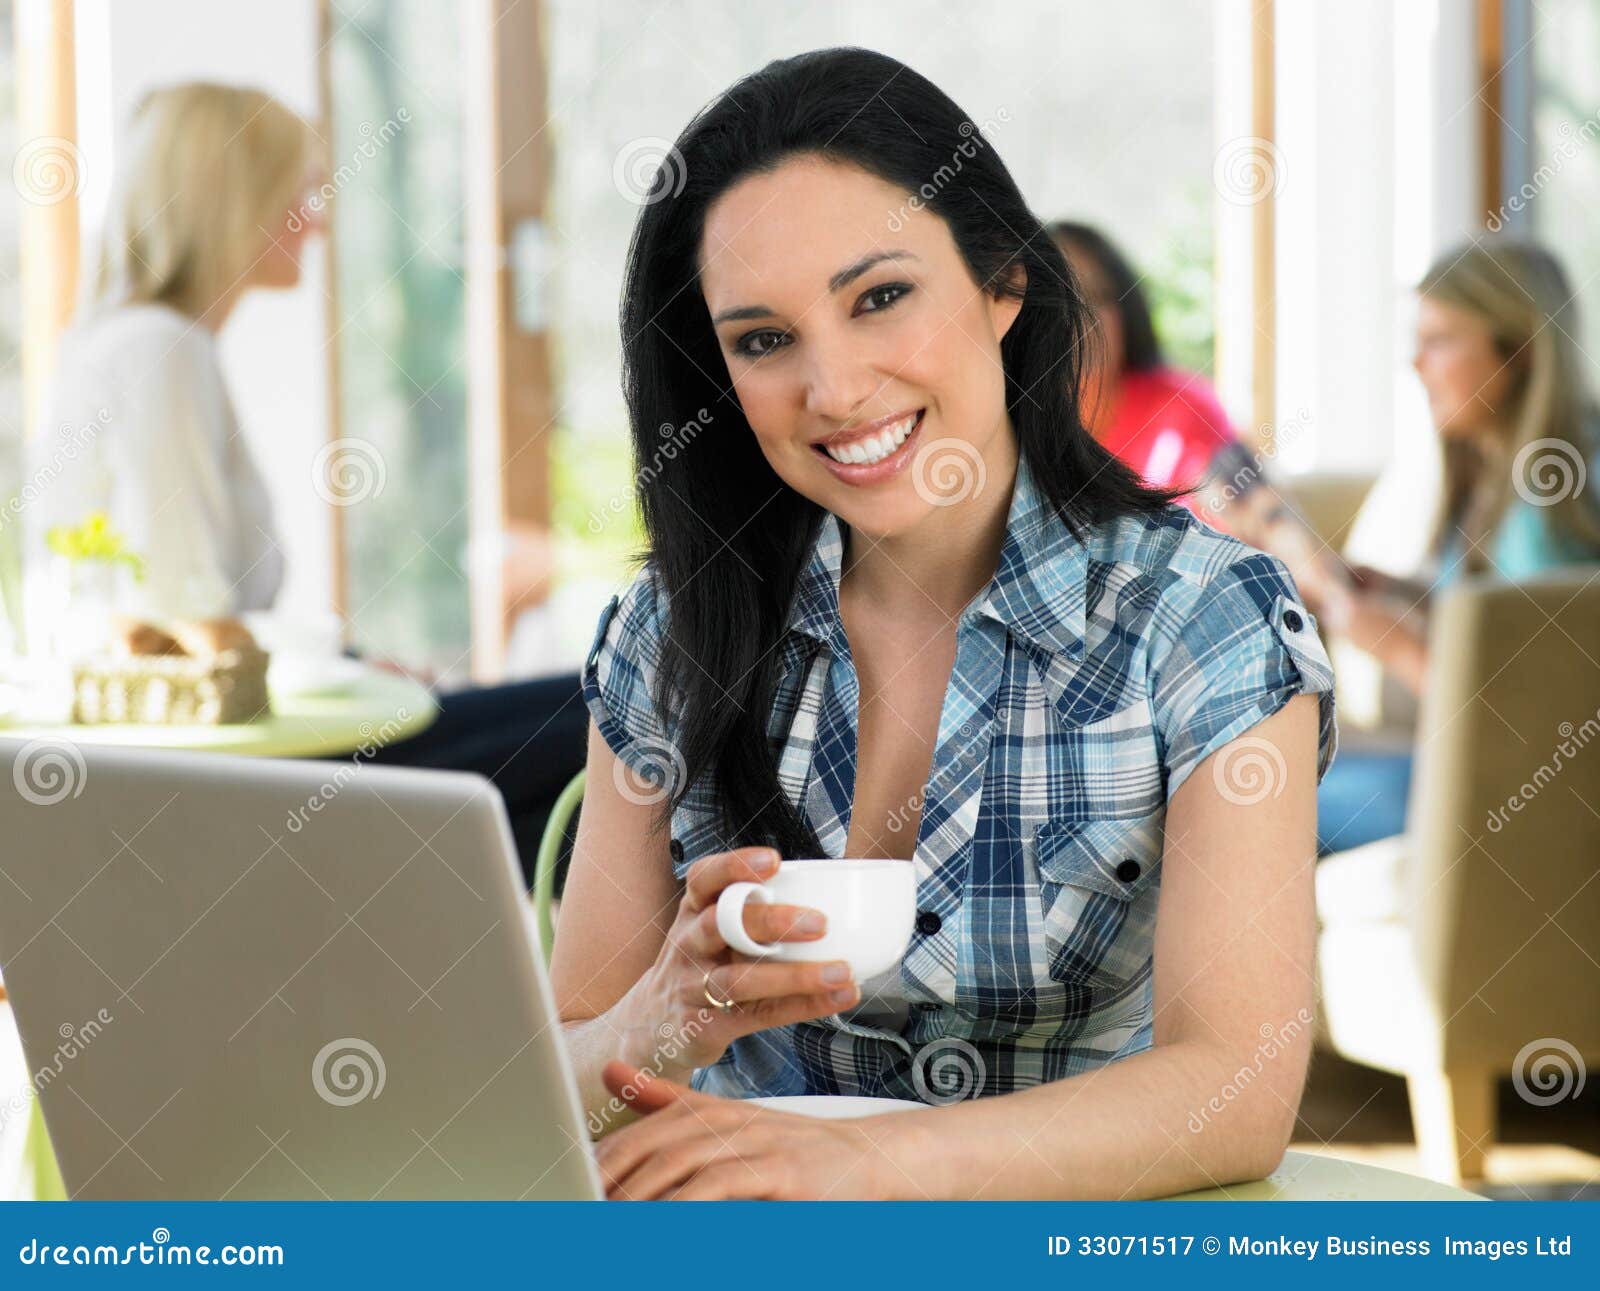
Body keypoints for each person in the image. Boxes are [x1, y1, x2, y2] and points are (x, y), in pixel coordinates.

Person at [554, 47, 1338, 1201]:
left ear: (1002, 281)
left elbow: (1235, 1088)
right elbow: (557, 1077)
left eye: (879, 297)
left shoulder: (1203, 619)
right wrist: (660, 1019)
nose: (834, 388)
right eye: (764, 340)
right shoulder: (668, 632)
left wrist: (863, 1163)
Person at [20, 82, 586, 882]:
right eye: (302, 192)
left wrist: (352, 662)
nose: (316, 218)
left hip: (227, 770)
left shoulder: (138, 345)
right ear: (233, 201)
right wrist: (344, 668)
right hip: (233, 793)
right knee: (608, 719)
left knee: (593, 737)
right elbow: (189, 616)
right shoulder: (159, 352)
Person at [1301, 238, 1600, 855]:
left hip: (1519, 793)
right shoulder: (1497, 473)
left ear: (1517, 351)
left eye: (1439, 340)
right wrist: (1396, 590)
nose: (1415, 363)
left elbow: (1537, 723)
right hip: (1469, 769)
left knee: (1256, 818)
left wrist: (1394, 641)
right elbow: (1496, 624)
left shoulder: (1555, 498)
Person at [1047, 221, 1238, 519]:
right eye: (1062, 299)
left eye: (1098, 296)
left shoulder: (1184, 406)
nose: (1083, 317)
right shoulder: (1005, 428)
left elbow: (1265, 526)